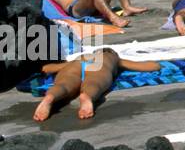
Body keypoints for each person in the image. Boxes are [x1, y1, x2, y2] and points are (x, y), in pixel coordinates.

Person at [32, 48, 161, 121]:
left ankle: (50, 97)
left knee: (64, 85)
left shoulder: (84, 56)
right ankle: (87, 96)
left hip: (75, 65)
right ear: (112, 53)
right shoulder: (113, 58)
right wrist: (118, 63)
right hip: (100, 67)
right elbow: (151, 66)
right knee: (94, 83)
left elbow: (47, 68)